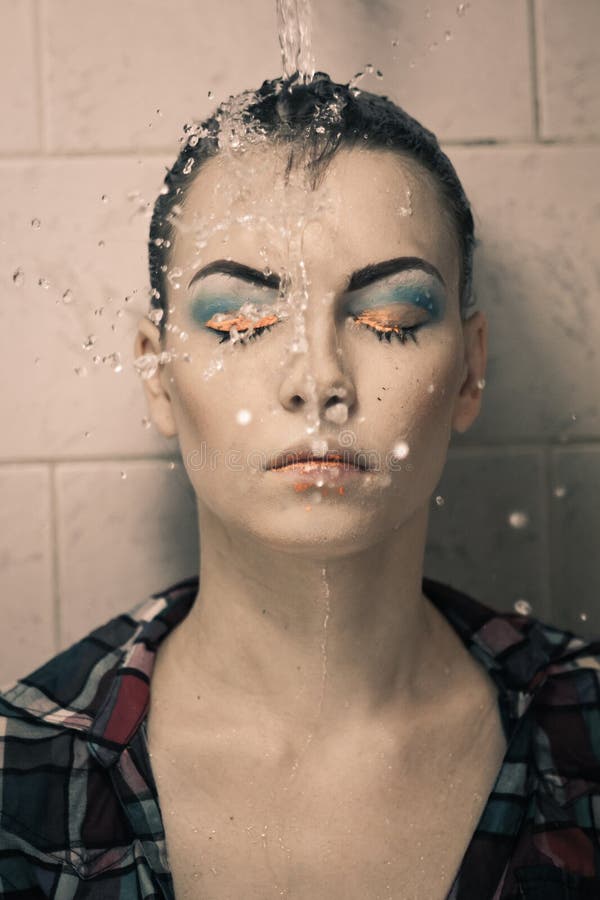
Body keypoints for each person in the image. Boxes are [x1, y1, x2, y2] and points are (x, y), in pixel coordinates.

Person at [1, 72, 599, 900]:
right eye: (239, 322)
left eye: (390, 319)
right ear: (157, 373)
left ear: (470, 369)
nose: (317, 379)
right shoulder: (22, 772)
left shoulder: (587, 730)